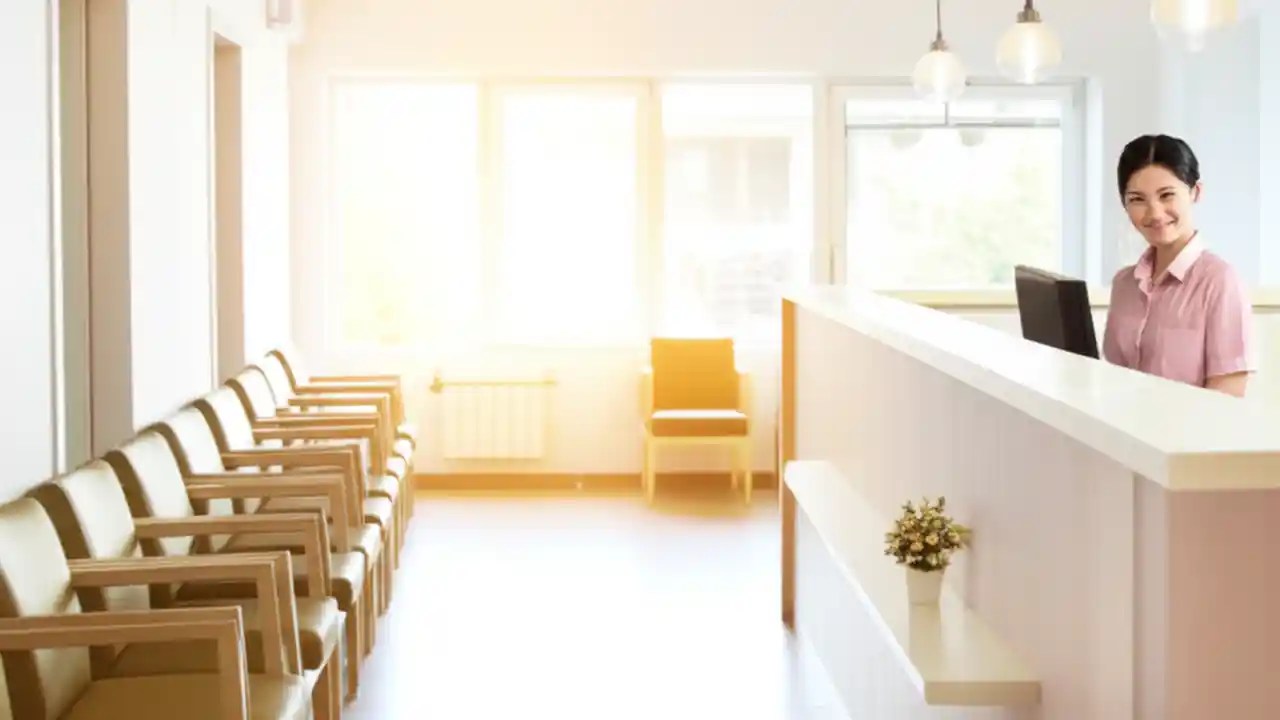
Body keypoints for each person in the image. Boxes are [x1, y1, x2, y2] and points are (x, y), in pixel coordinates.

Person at [1102, 134, 1255, 397]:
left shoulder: (1219, 281)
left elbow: (1228, 391)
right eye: (1137, 199)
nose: (1154, 213)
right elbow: (1113, 379)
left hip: (1190, 426)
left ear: (1195, 192)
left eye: (1167, 195)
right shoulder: (1124, 284)